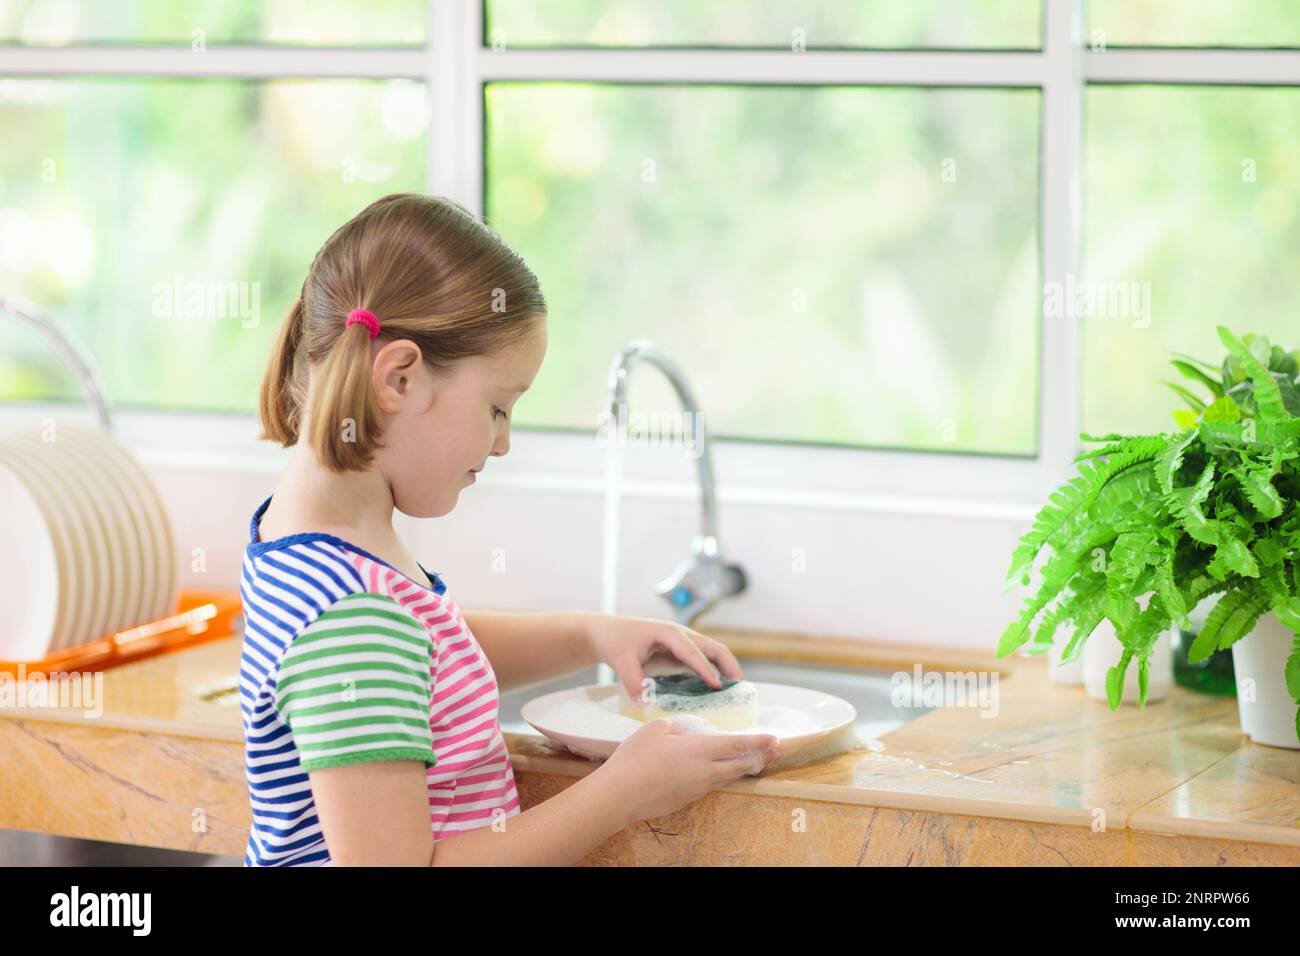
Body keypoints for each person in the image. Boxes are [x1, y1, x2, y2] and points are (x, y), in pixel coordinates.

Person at [240, 192, 779, 866]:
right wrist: (624, 792)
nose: (502, 444)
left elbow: (423, 656)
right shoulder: (352, 616)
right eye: (498, 407)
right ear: (399, 378)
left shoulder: (314, 544)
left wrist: (587, 633)